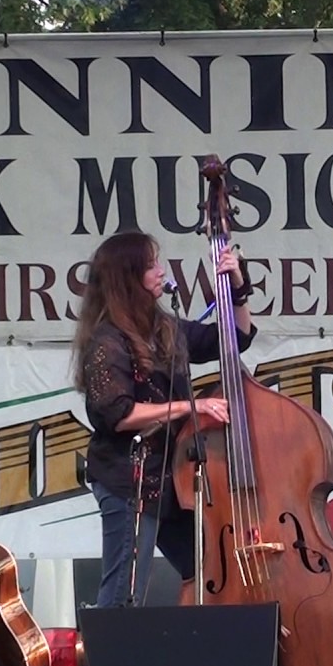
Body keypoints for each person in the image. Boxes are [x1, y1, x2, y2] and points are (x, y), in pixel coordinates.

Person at [72, 230, 256, 609]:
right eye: (152, 264)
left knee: (213, 571)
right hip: (129, 482)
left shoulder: (164, 329)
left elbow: (235, 338)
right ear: (129, 276)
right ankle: (108, 663)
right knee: (126, 590)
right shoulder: (107, 341)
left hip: (174, 481)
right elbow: (119, 415)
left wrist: (237, 286)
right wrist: (191, 407)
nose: (161, 271)